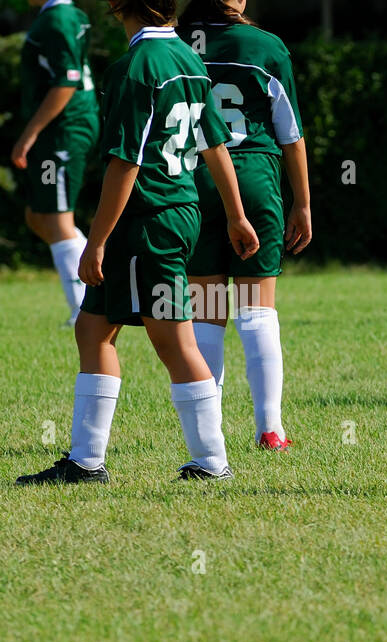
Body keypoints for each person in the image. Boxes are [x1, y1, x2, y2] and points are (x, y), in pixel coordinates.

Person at [16, 0, 258, 486]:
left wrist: (97, 241)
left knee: (172, 339)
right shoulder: (189, 58)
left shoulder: (133, 68)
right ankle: (85, 462)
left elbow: (124, 164)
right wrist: (235, 213)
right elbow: (215, 144)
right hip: (175, 212)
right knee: (93, 328)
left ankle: (211, 462)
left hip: (147, 220)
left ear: (118, 4)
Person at [180, 0, 311, 452]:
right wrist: (304, 204)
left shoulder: (174, 42)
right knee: (256, 310)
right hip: (253, 176)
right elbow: (290, 134)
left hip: (195, 179)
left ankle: (209, 433)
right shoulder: (265, 46)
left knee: (206, 312)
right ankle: (269, 428)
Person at [12, 0, 100, 328]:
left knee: (57, 219)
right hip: (60, 130)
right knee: (37, 215)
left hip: (62, 131)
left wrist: (29, 134)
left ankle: (86, 311)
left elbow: (66, 81)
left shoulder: (60, 17)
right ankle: (92, 290)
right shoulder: (66, 14)